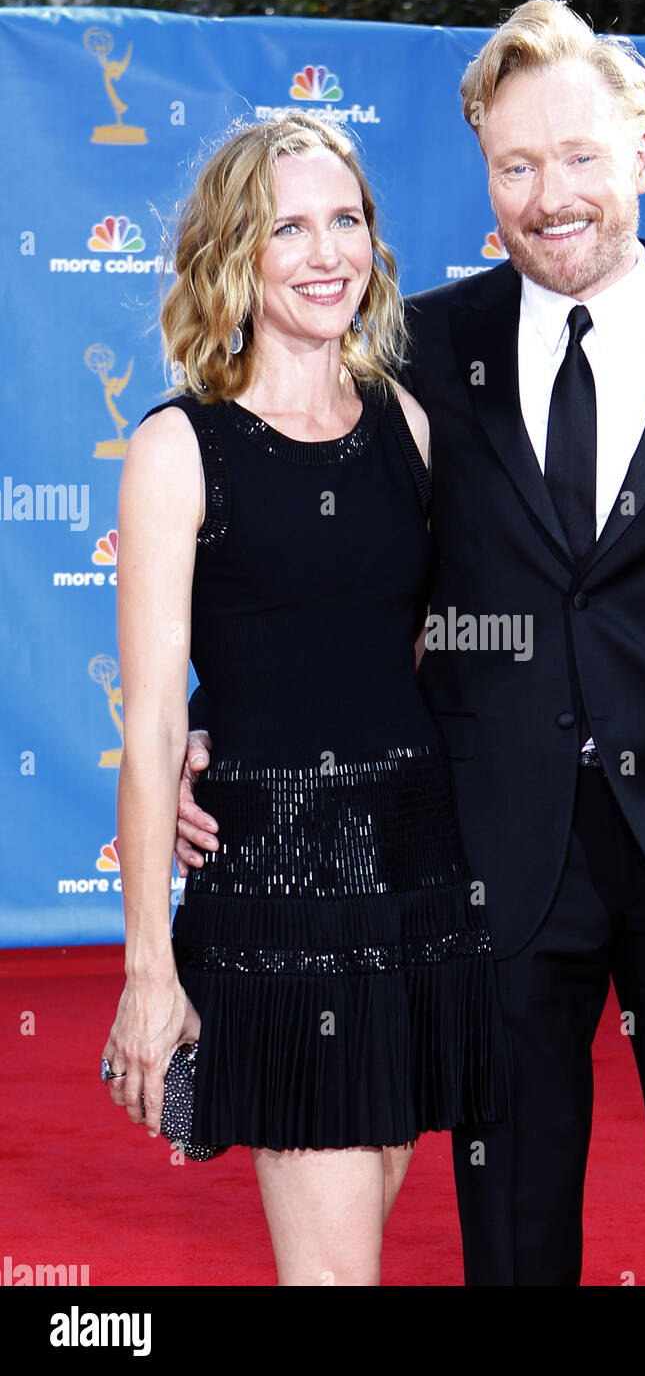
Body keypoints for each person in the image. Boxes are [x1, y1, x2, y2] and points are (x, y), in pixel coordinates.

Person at [178, 0, 645, 1286]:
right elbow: (331, 577)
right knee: (515, 1244)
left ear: (642, 157)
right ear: (484, 172)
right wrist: (216, 729)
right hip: (490, 863)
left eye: (581, 156)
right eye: (516, 164)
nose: (550, 196)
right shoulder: (420, 350)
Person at [100, 112, 510, 1288]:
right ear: (239, 252)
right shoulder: (183, 447)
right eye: (291, 226)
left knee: (361, 1223)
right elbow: (150, 723)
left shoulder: (408, 425)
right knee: (333, 1271)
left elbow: (422, 651)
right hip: (280, 886)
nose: (327, 251)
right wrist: (147, 966)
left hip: (415, 878)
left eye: (347, 221)